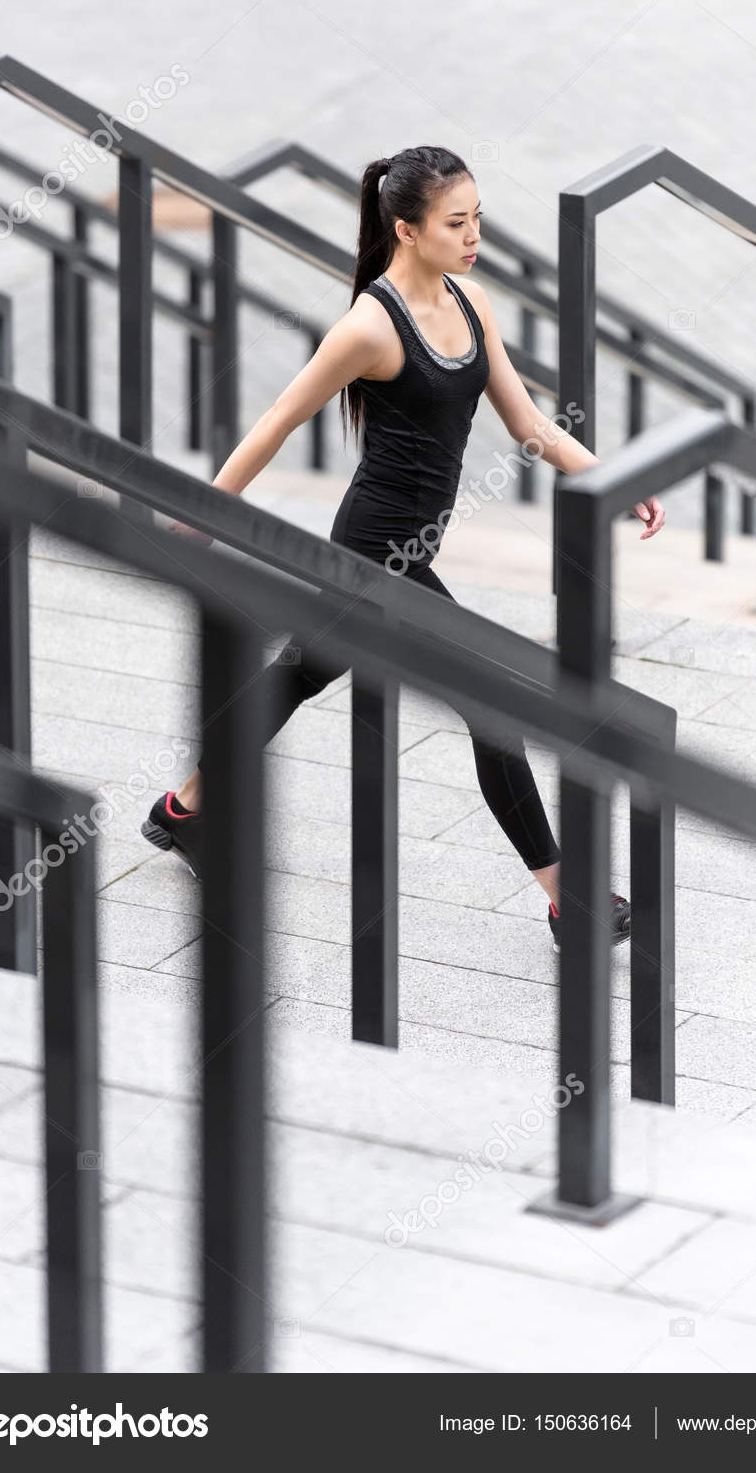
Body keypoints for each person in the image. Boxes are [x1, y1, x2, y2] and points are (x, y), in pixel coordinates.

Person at [142, 145, 665, 944]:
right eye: (456, 223)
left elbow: (528, 423)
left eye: (478, 218)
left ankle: (183, 810)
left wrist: (610, 477)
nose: (473, 236)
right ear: (407, 230)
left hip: (408, 551)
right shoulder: (368, 327)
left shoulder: (471, 301)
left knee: (301, 673)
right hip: (374, 557)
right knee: (493, 705)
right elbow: (280, 417)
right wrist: (208, 509)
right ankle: (571, 902)